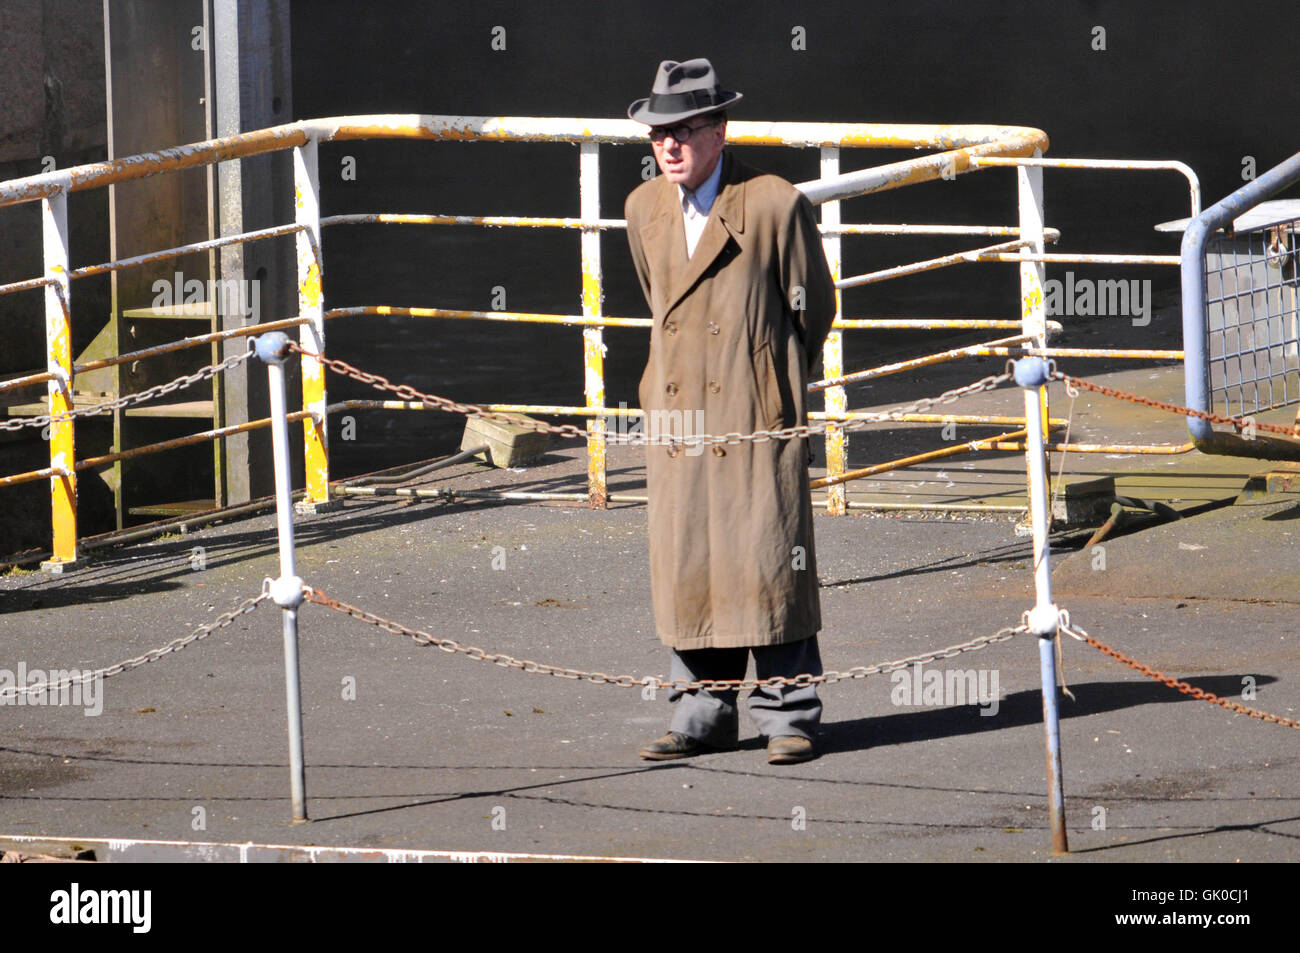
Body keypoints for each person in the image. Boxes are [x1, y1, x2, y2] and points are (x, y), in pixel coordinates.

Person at [624, 58, 837, 765]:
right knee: (691, 563)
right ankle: (701, 715)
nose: (669, 145)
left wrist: (773, 383)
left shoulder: (774, 204)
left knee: (769, 560)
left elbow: (812, 307)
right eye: (659, 133)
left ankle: (789, 716)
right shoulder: (643, 209)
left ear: (720, 129)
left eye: (685, 130)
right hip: (681, 418)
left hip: (752, 412)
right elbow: (661, 303)